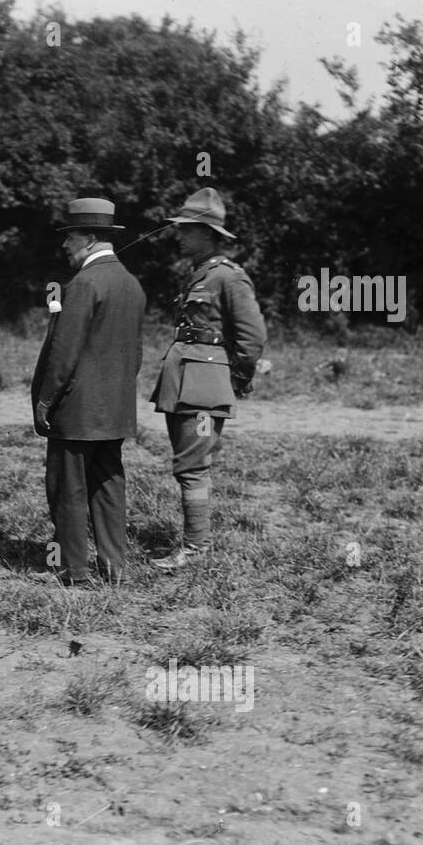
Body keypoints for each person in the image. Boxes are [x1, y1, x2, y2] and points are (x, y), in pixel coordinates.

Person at [148, 188, 266, 571]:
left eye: (186, 229)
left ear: (208, 233)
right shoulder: (198, 274)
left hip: (205, 386)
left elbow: (252, 338)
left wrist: (237, 381)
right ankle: (195, 543)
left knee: (192, 464)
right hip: (183, 379)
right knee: (187, 462)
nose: (178, 235)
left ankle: (196, 548)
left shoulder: (230, 278)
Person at [31, 198, 146, 585]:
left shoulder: (83, 284)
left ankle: (74, 571)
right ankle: (115, 568)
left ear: (91, 238)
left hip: (76, 412)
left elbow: (63, 352)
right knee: (108, 489)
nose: (64, 245)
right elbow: (136, 356)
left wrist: (46, 400)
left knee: (67, 490)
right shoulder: (131, 284)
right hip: (114, 412)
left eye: (71, 237)